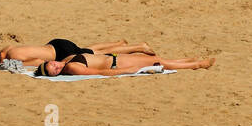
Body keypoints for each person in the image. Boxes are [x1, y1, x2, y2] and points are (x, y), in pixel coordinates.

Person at [0, 39, 157, 68]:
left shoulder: (14, 57)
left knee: (97, 54)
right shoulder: (8, 49)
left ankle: (139, 46)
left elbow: (37, 60)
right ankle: (120, 42)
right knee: (89, 49)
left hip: (60, 53)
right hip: (55, 43)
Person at [41, 52, 215, 77]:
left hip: (117, 58)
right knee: (160, 62)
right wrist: (127, 71)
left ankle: (189, 61)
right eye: (54, 70)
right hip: (118, 63)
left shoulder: (65, 62)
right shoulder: (72, 68)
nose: (56, 67)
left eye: (52, 64)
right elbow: (100, 73)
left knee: (156, 57)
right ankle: (198, 65)